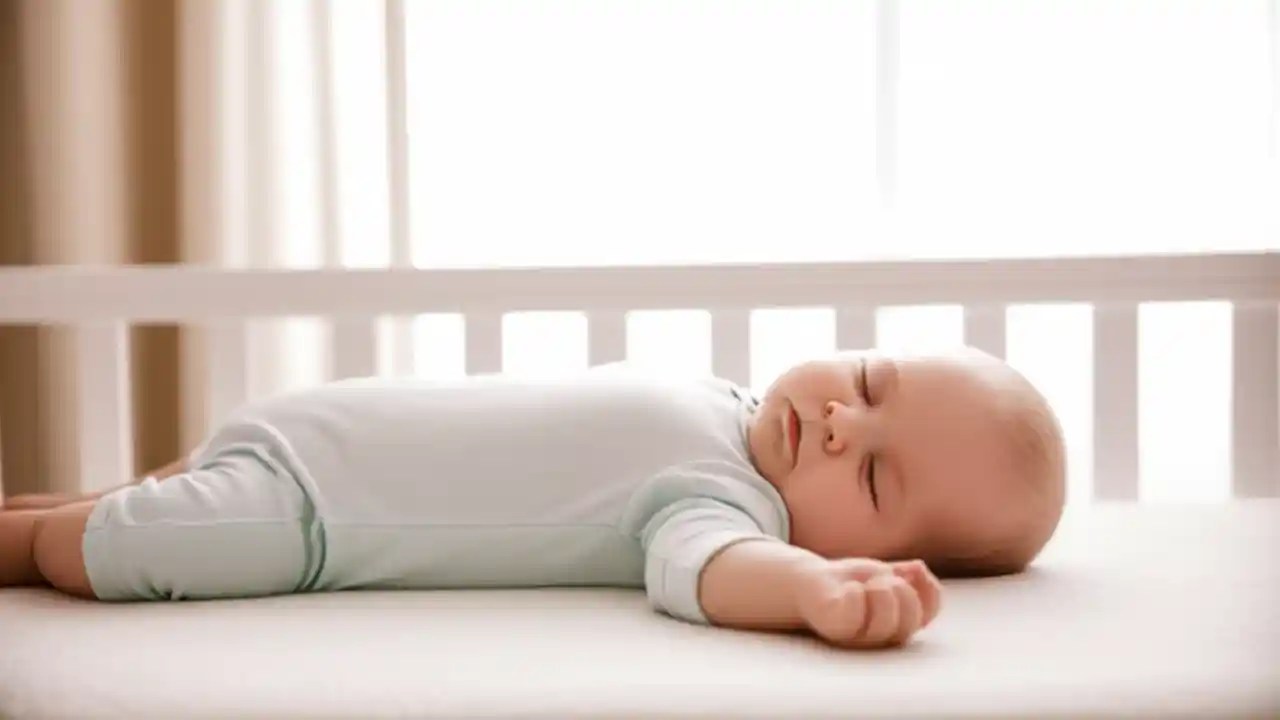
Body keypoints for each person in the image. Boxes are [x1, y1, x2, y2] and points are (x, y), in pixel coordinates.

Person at [0, 347, 1065, 650]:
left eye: (871, 476)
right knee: (120, 502)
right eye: (869, 384)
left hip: (311, 519)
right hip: (324, 427)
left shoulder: (722, 505)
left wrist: (813, 591)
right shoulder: (723, 403)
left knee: (83, 549)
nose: (840, 422)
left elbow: (704, 575)